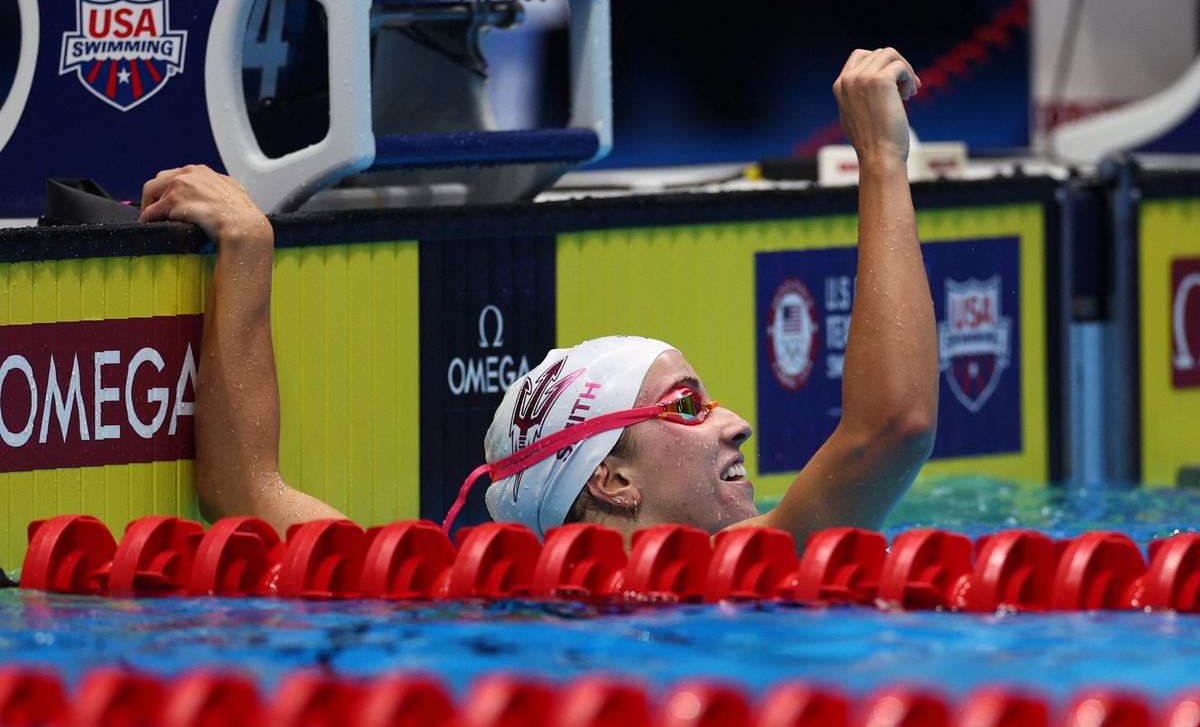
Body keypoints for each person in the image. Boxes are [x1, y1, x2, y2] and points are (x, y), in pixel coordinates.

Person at [139, 47, 938, 551]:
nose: (739, 422)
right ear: (612, 481)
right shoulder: (744, 575)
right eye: (688, 405)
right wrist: (879, 160)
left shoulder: (449, 589)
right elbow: (892, 427)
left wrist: (249, 248)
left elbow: (247, 492)